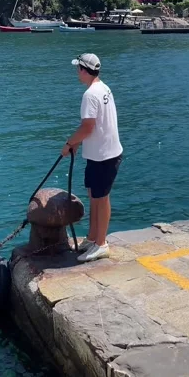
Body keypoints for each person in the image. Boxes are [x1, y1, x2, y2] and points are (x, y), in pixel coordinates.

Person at [61, 53, 123, 262]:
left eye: (78, 68)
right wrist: (77, 144)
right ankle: (93, 237)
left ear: (83, 70)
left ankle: (101, 243)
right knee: (94, 195)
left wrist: (70, 143)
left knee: (101, 198)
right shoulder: (103, 88)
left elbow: (88, 126)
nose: (76, 72)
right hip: (101, 153)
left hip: (104, 155)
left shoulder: (90, 95)